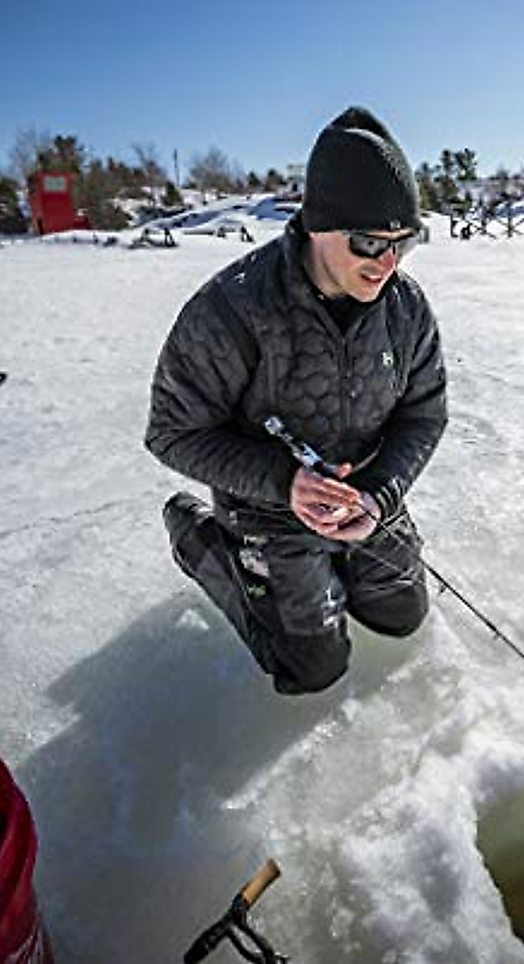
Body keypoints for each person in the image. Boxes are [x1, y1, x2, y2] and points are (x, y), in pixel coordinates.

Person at [145, 106, 448, 694]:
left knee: (400, 616)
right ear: (317, 225)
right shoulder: (232, 309)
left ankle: (337, 562)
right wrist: (284, 483)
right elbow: (171, 431)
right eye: (369, 243)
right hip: (267, 508)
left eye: (404, 243)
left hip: (363, 495)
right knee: (311, 666)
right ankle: (199, 536)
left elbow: (425, 412)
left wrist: (380, 493)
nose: (387, 264)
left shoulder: (406, 308)